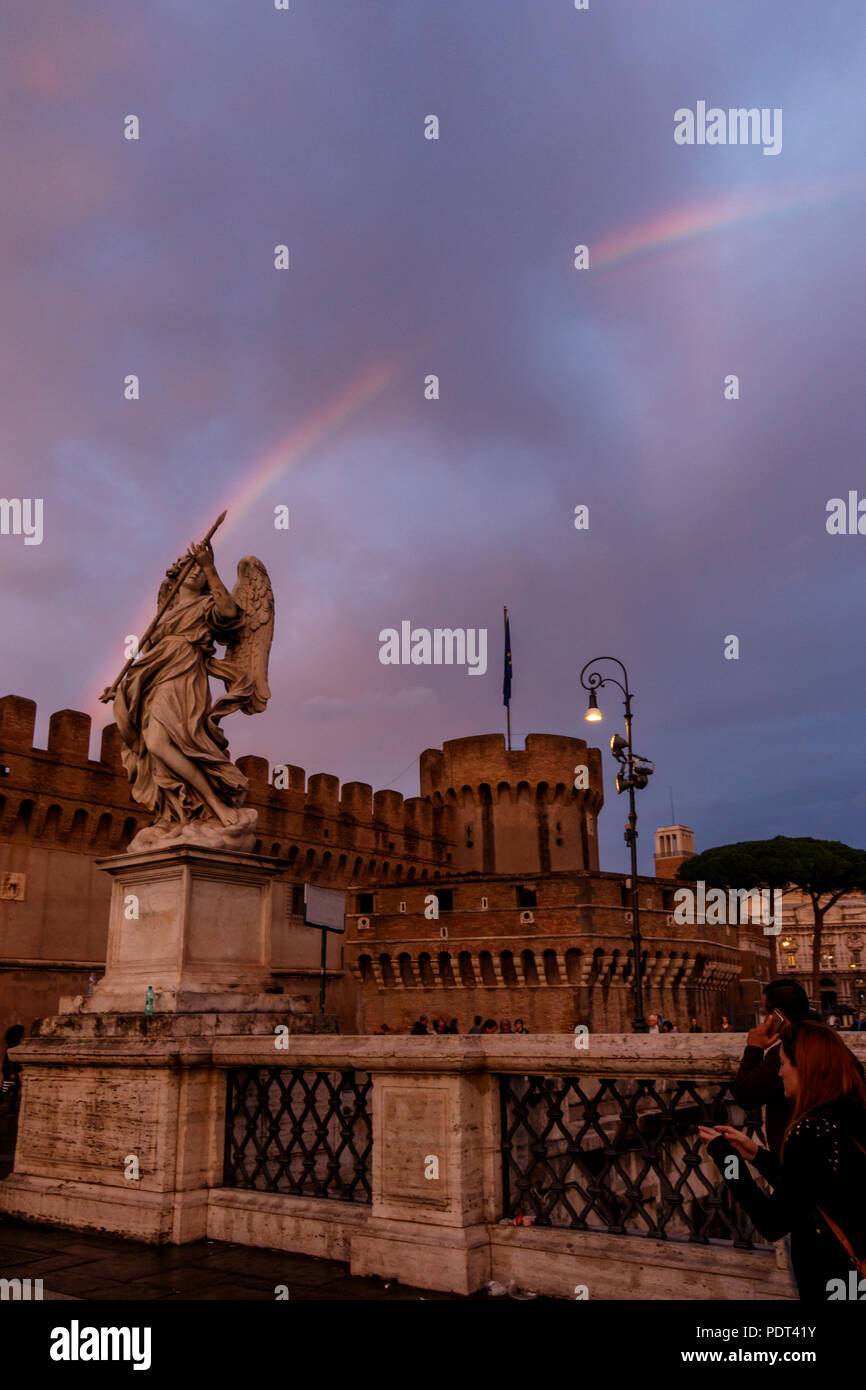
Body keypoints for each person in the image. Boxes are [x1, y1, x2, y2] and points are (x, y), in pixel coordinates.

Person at [699, 1021, 866, 1300]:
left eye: (784, 1063)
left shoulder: (811, 1130)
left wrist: (725, 1157)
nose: (779, 1072)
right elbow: (812, 1187)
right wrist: (756, 1155)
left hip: (833, 1276)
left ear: (806, 1069)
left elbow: (773, 1222)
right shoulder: (854, 1112)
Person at [733, 978, 811, 1154]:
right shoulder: (830, 1039)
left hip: (797, 1154)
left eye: (766, 1013)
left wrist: (754, 1048)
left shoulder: (789, 1049)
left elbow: (746, 1095)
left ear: (777, 1016)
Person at [1, 1024, 24, 1106]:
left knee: (8, 1088)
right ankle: (9, 1108)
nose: (23, 1034)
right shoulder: (14, 1045)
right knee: (9, 1088)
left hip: (9, 1071)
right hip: (10, 1071)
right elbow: (11, 1060)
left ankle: (10, 1107)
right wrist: (12, 1074)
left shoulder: (12, 1044)